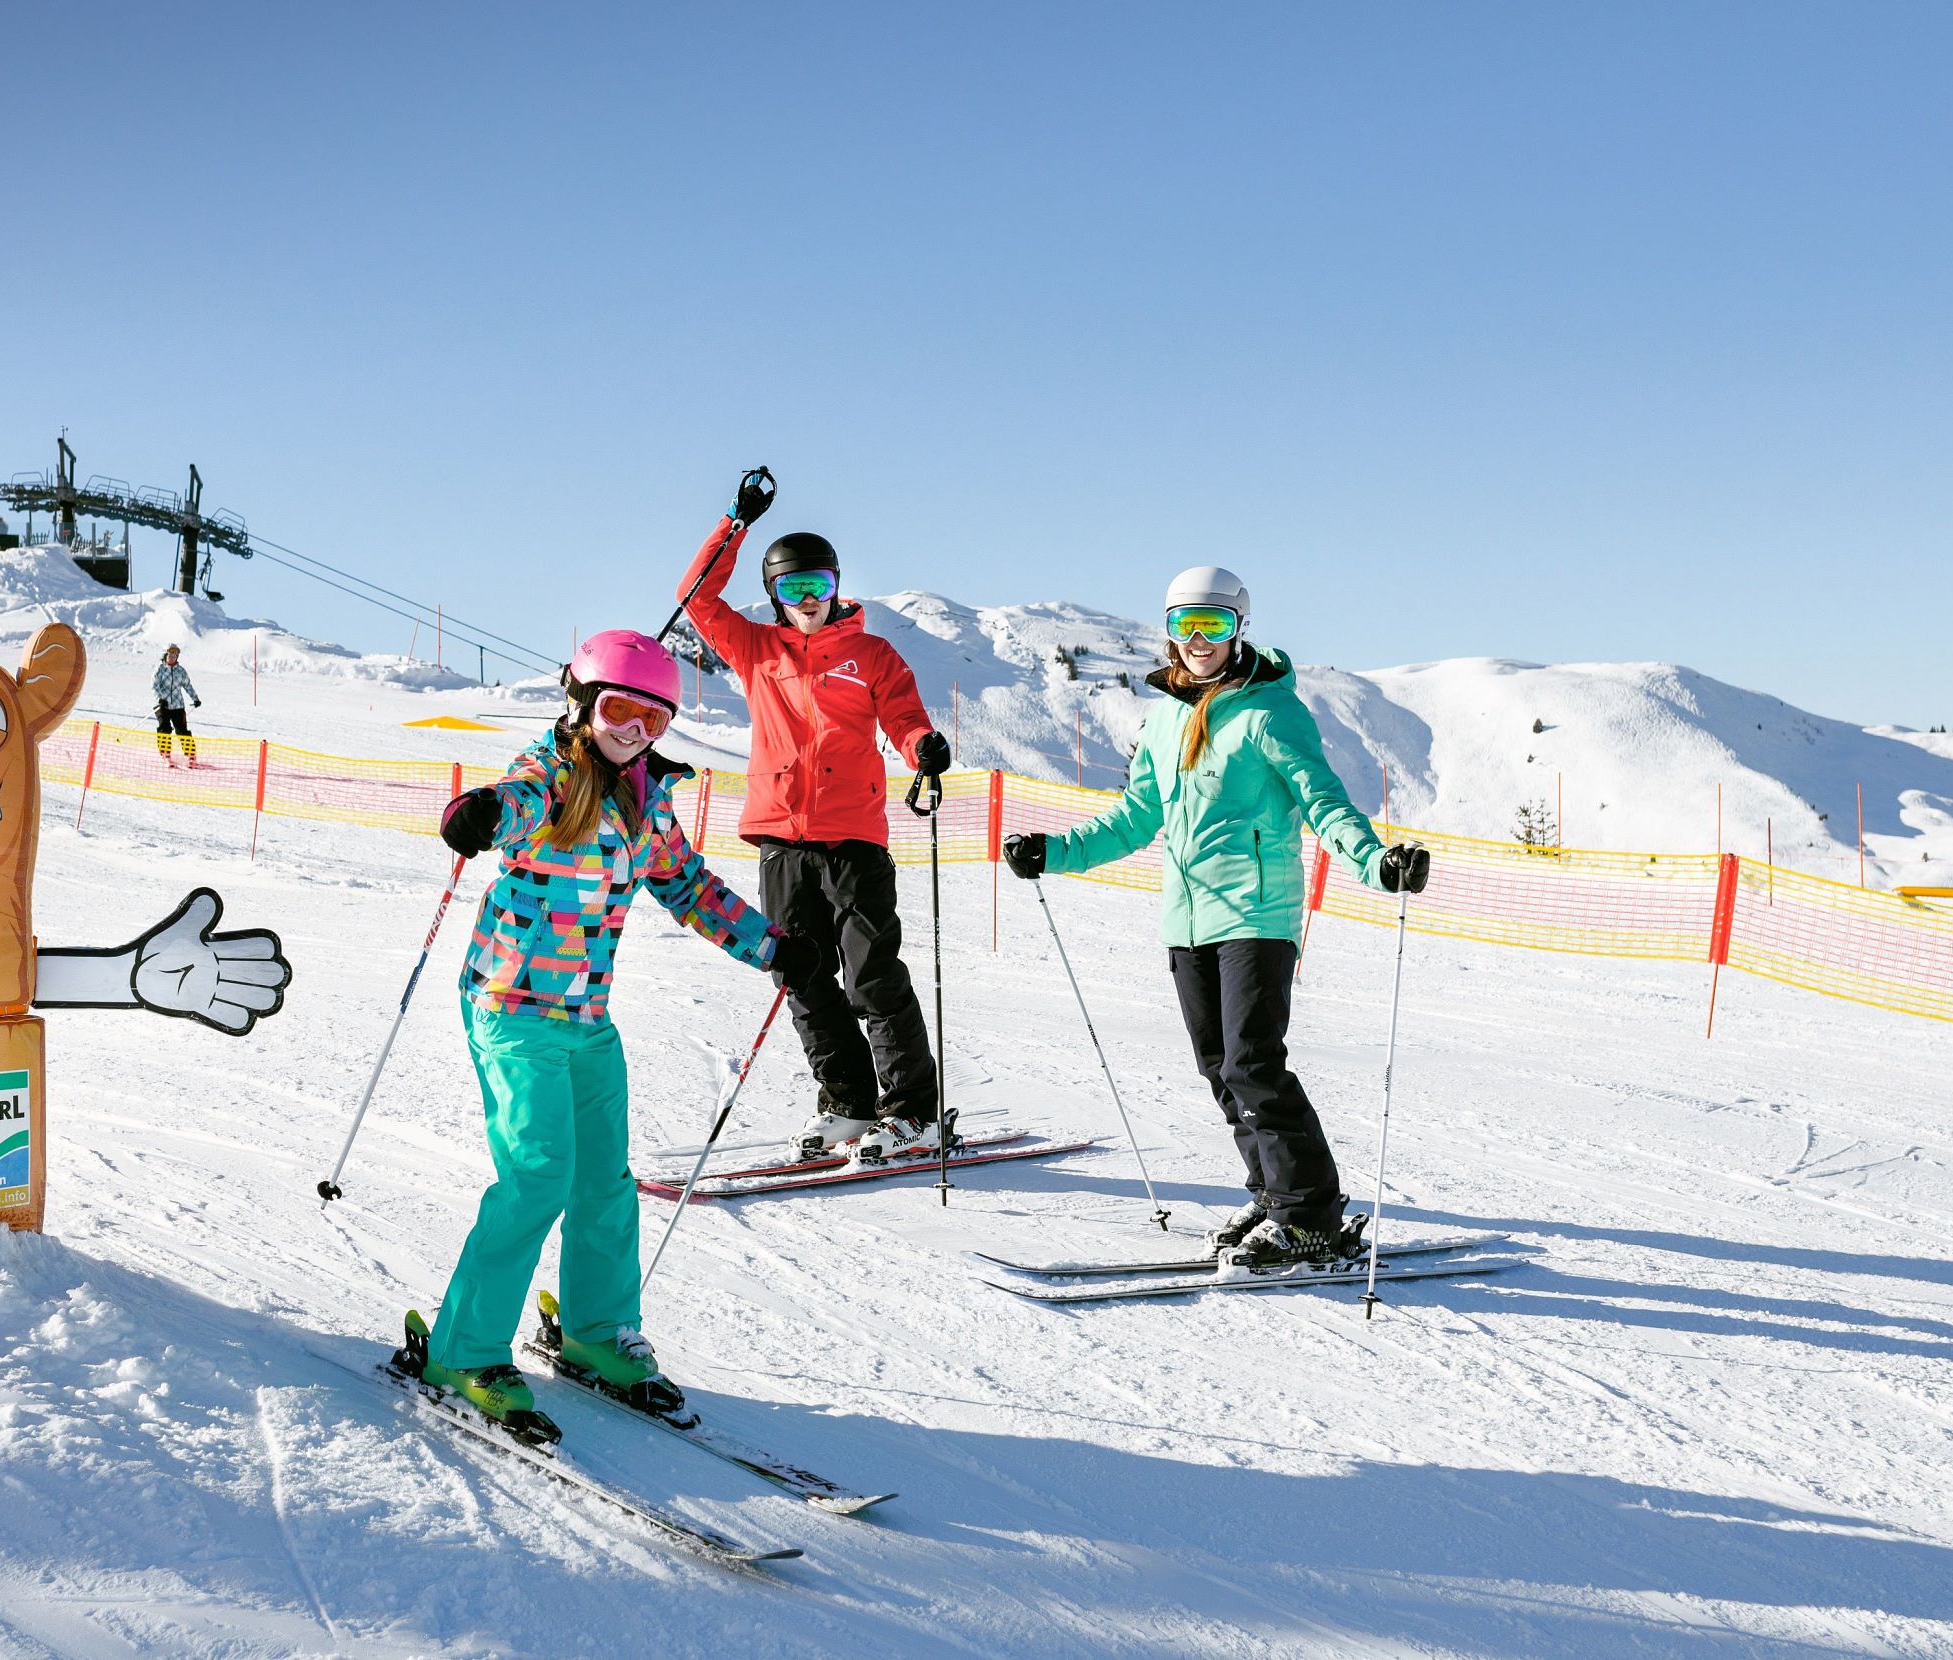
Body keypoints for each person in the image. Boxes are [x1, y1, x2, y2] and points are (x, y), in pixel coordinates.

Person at [394, 629, 824, 1442]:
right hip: (511, 1007)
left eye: (654, 720)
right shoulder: (550, 779)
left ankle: (595, 1329)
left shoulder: (644, 799)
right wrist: (478, 813)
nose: (634, 731)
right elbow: (510, 801)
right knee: (537, 1177)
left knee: (604, 1179)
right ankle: (464, 1347)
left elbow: (687, 884)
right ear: (583, 702)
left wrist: (771, 948)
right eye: (621, 710)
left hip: (586, 1018)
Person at [1000, 566, 1433, 1270]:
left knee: (1253, 1061)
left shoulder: (1270, 712)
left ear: (1240, 629)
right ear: (1168, 631)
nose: (1199, 640)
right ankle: (1271, 1191)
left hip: (1258, 912)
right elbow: (1138, 816)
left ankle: (1311, 1215)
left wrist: (1376, 861)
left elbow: (1323, 802)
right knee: (1219, 1068)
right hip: (1188, 918)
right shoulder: (1167, 715)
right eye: (1184, 625)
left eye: (1216, 625)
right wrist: (1054, 851)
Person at [675, 479, 954, 1166]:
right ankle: (850, 1102)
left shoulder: (874, 656)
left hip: (854, 838)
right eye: (794, 588)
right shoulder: (754, 649)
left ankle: (914, 1112)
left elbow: (905, 718)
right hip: (780, 839)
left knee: (872, 979)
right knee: (800, 975)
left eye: (819, 584)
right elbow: (696, 599)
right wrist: (733, 524)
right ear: (775, 593)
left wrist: (924, 748)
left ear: (837, 586)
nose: (808, 599)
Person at [152, 646, 203, 767]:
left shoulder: (181, 671)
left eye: (175, 656)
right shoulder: (159, 669)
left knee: (182, 730)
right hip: (162, 705)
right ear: (165, 655)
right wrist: (160, 698)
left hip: (177, 705)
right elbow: (154, 686)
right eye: (170, 655)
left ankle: (191, 756)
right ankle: (165, 755)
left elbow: (187, 686)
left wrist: (195, 698)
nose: (172, 658)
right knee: (164, 728)